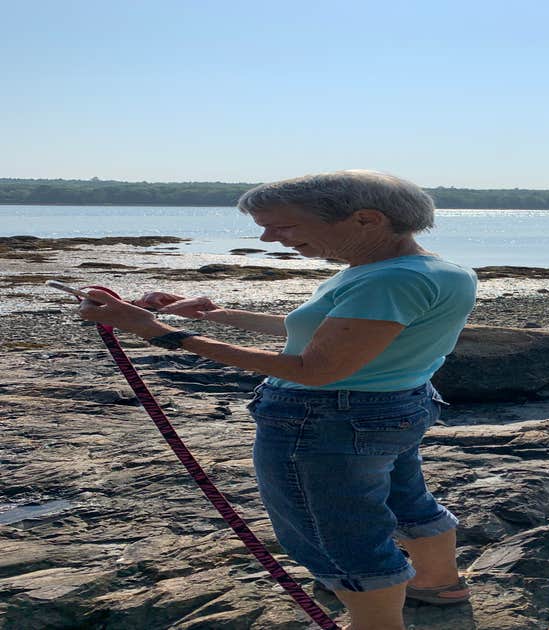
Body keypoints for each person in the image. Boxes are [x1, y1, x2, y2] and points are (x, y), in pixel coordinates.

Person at [78, 170, 476, 630]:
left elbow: (316, 368)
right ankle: (438, 582)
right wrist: (213, 314)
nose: (269, 238)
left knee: (335, 535)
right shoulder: (430, 270)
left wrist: (166, 336)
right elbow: (323, 332)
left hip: (327, 419)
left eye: (283, 226)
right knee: (405, 501)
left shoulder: (383, 282)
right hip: (394, 406)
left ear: (367, 220)